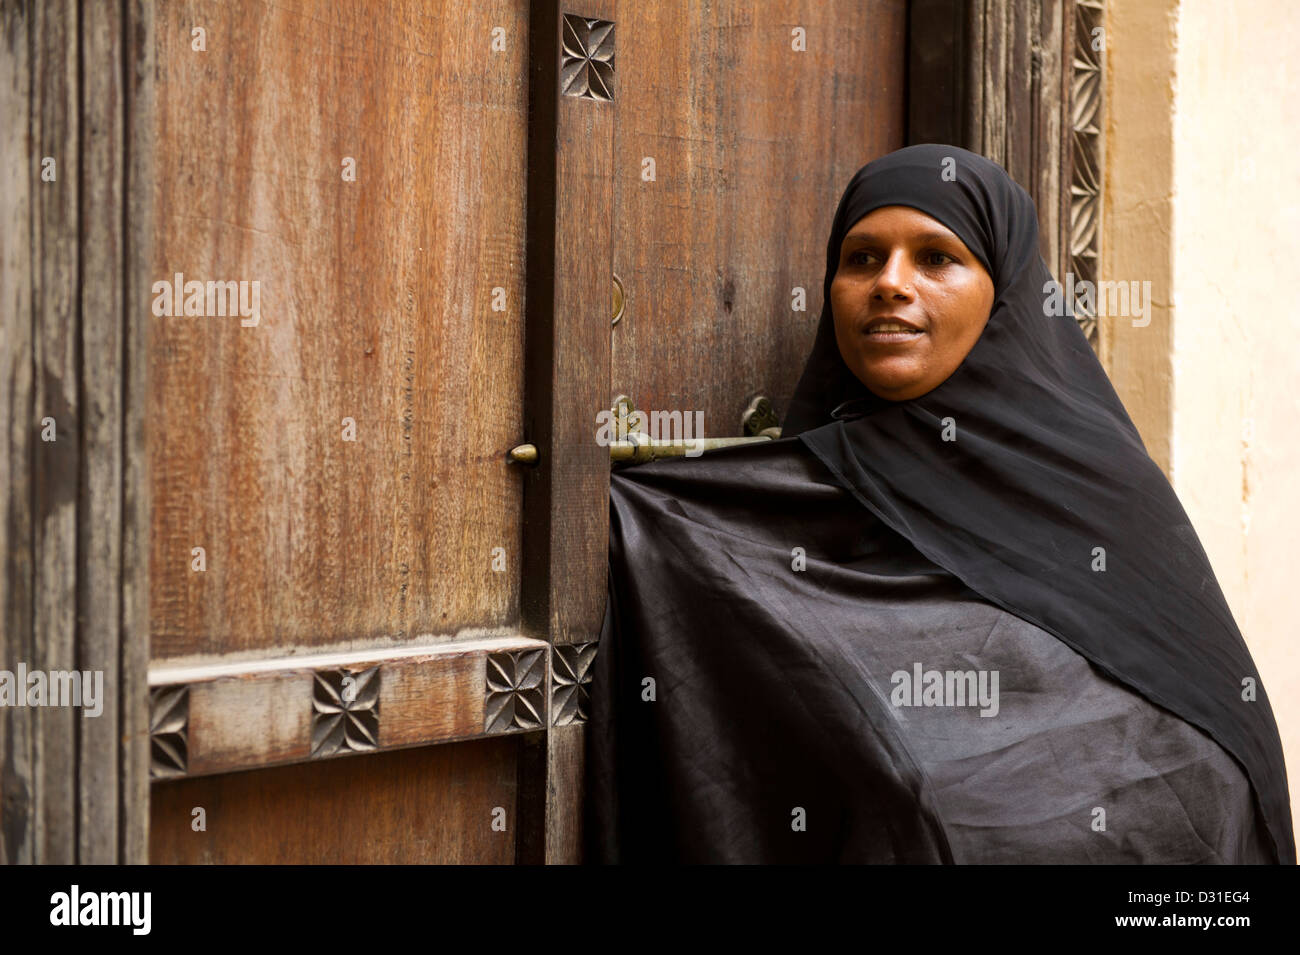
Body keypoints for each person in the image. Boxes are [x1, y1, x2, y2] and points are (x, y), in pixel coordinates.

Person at [584, 143, 1295, 864]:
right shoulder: (780, 501)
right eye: (861, 258)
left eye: (935, 258)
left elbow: (1217, 759)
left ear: (1005, 293)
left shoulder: (1101, 492)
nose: (890, 283)